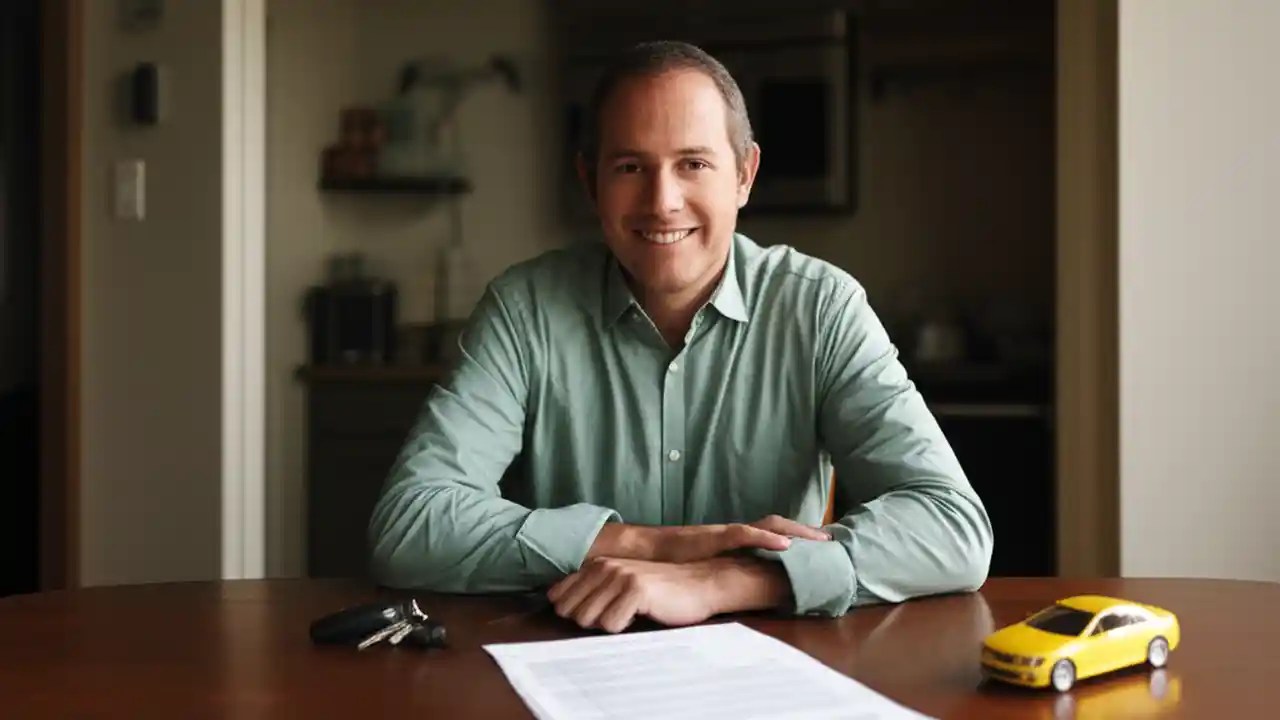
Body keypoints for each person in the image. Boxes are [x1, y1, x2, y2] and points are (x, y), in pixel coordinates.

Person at [368, 41, 992, 633]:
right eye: (630, 167)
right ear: (591, 183)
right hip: (572, 659)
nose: (662, 201)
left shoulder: (821, 307)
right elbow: (410, 523)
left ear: (744, 175)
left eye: (693, 163)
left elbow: (953, 527)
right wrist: (647, 544)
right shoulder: (524, 308)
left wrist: (725, 580)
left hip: (774, 673)